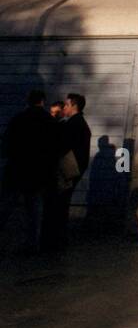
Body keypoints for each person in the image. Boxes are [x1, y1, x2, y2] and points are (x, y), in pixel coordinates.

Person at [0, 89, 58, 253]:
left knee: (6, 206)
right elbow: (55, 149)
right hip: (39, 173)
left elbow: (6, 145)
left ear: (28, 101)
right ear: (43, 101)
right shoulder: (49, 121)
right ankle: (32, 244)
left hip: (17, 170)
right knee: (34, 211)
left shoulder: (18, 119)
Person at [42, 93, 91, 253]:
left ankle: (55, 239)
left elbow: (61, 145)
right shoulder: (79, 124)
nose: (65, 108)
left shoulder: (74, 125)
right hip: (72, 171)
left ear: (74, 106)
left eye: (67, 105)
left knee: (59, 204)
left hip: (66, 171)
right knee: (62, 204)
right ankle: (58, 238)